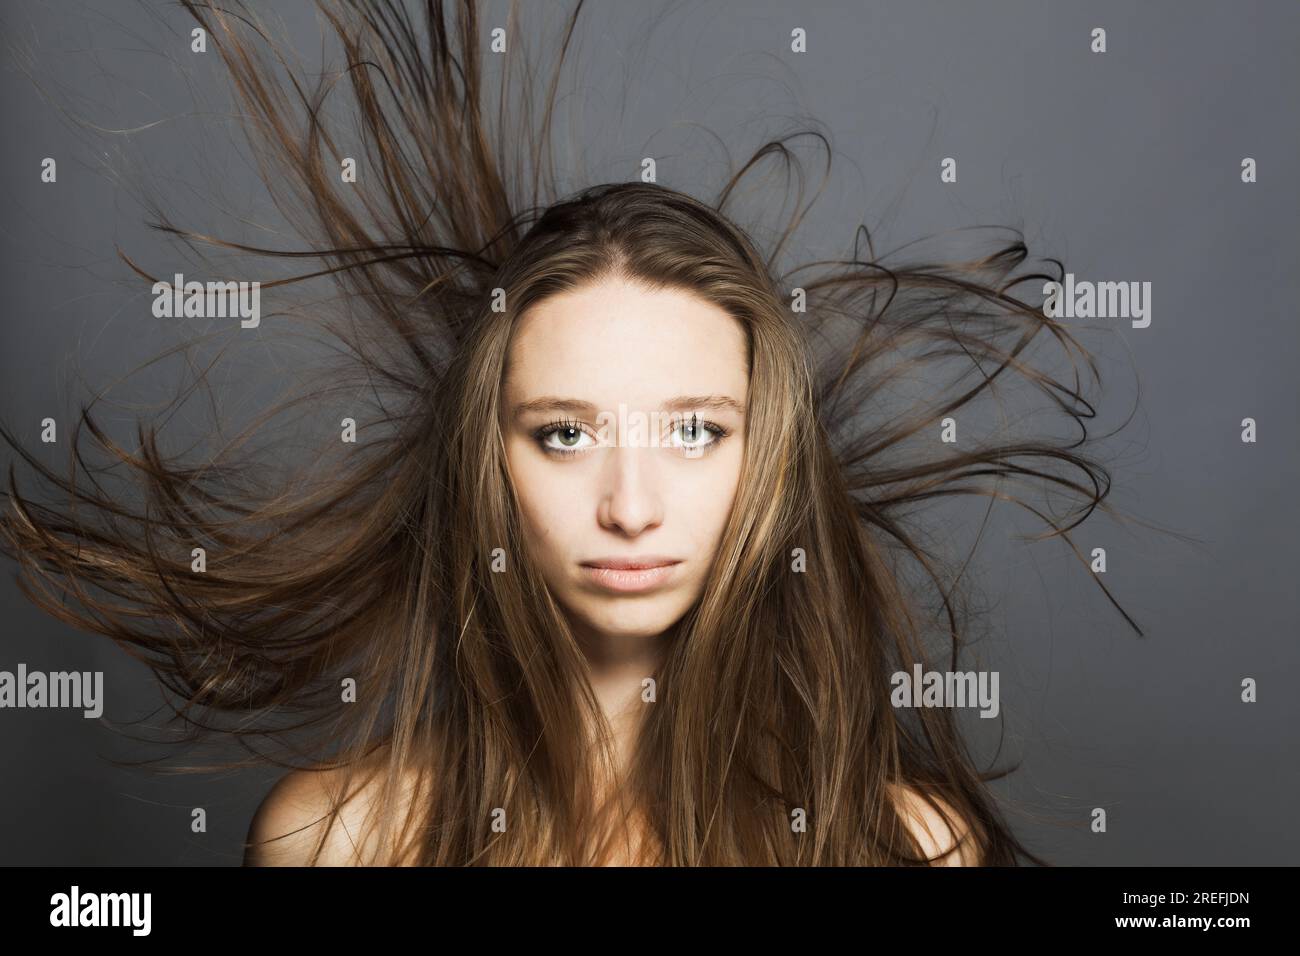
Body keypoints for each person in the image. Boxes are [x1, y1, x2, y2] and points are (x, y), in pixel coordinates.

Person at [0, 0, 1145, 866]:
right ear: (482, 468)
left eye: (696, 430)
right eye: (561, 435)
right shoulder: (335, 840)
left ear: (768, 463)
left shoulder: (907, 844)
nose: (631, 503)